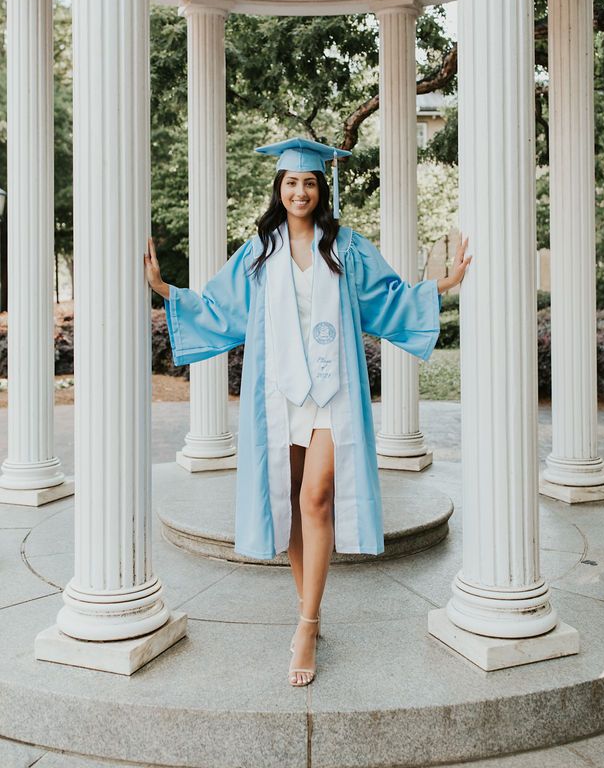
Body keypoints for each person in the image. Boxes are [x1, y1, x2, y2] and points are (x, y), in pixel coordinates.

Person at [144, 136, 472, 687]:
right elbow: (220, 307)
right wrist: (163, 288)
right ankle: (309, 607)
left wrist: (443, 285)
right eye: (292, 182)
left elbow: (390, 297)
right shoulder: (258, 253)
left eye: (310, 182)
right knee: (293, 506)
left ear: (322, 190)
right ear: (280, 188)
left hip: (333, 395)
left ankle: (306, 623)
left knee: (316, 497)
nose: (300, 190)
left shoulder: (346, 248)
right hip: (279, 397)